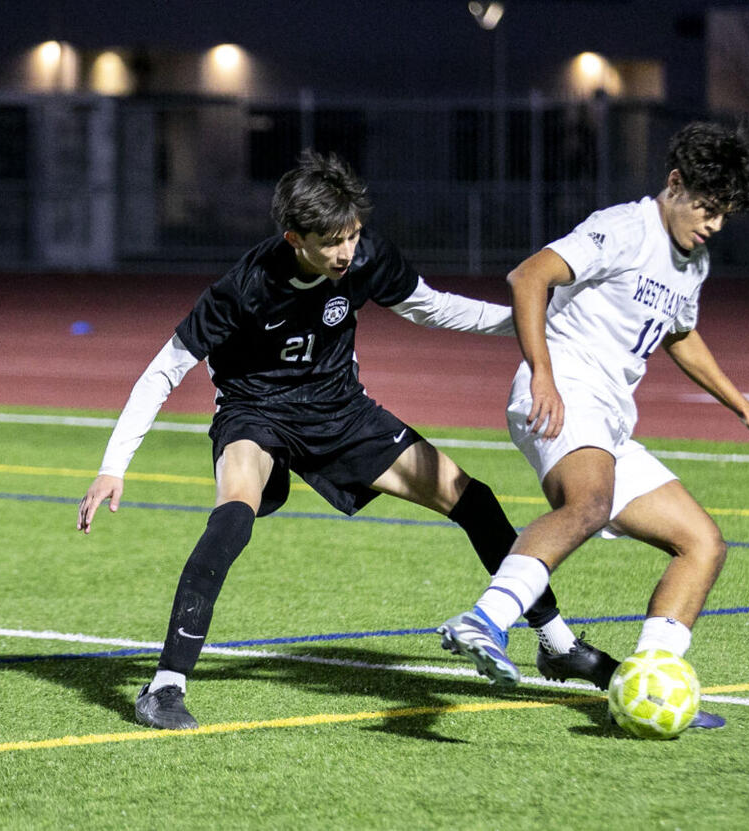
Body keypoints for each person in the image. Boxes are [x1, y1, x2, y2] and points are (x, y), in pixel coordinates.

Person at [77, 150, 615, 730]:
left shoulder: (365, 257)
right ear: (294, 239)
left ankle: (557, 643)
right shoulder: (245, 287)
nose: (346, 252)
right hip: (257, 414)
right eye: (331, 242)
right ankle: (164, 686)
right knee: (232, 517)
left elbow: (431, 308)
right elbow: (164, 370)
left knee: (474, 500)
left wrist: (530, 323)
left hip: (340, 411)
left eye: (353, 235)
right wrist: (113, 466)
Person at [438, 122, 749, 724]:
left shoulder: (693, 262)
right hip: (566, 388)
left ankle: (652, 682)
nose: (714, 224)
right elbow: (529, 276)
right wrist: (543, 373)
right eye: (707, 208)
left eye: (725, 214)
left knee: (701, 543)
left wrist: (745, 409)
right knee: (589, 505)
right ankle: (485, 620)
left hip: (609, 417)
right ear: (675, 183)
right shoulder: (625, 228)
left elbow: (680, 335)